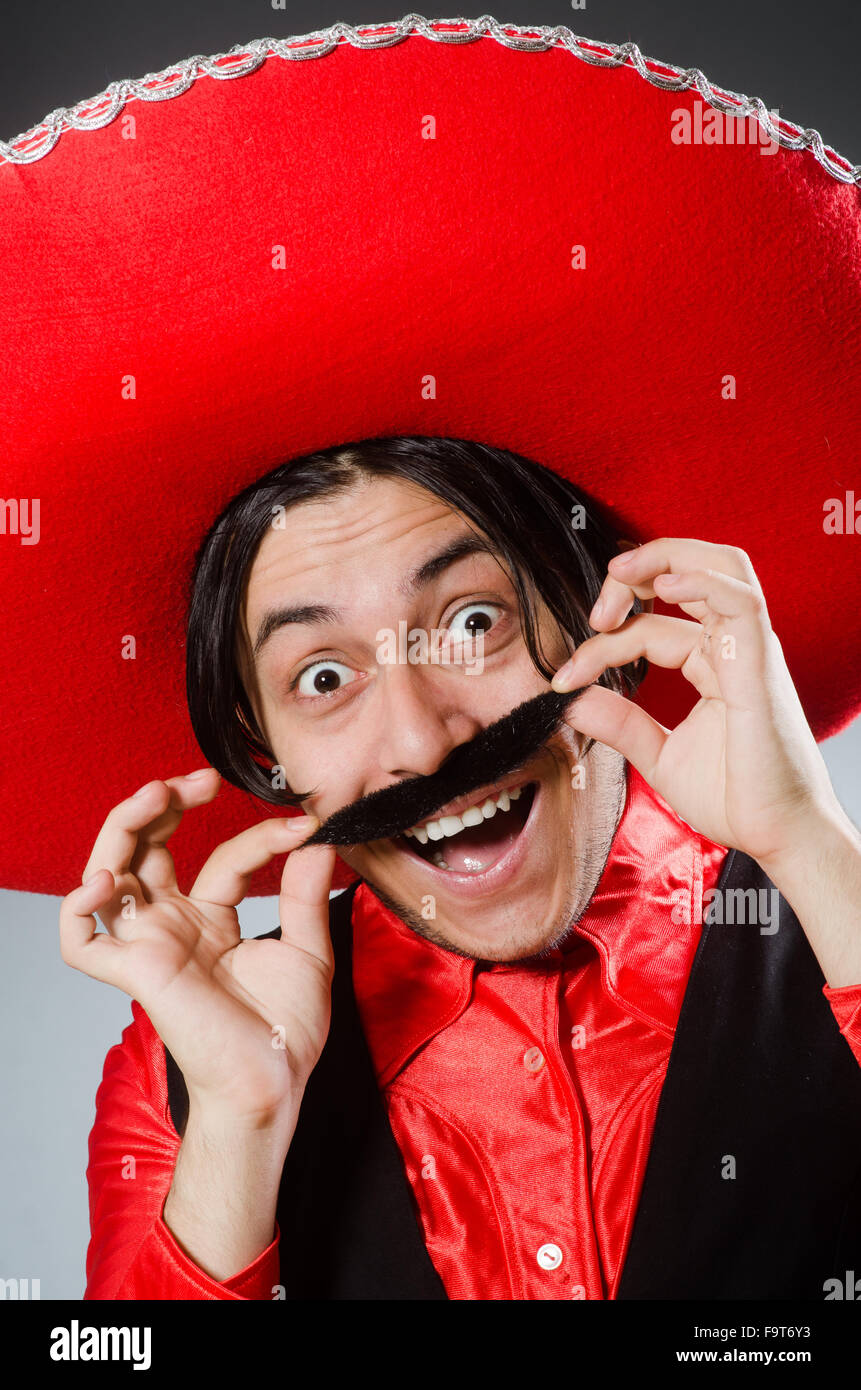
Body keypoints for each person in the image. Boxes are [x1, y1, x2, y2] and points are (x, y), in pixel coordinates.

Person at [62, 436, 861, 1301]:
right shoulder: (179, 1069)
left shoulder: (831, 915)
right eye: (324, 677)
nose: (420, 740)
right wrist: (238, 1126)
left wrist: (807, 848)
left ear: (603, 618)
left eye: (472, 623)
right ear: (269, 752)